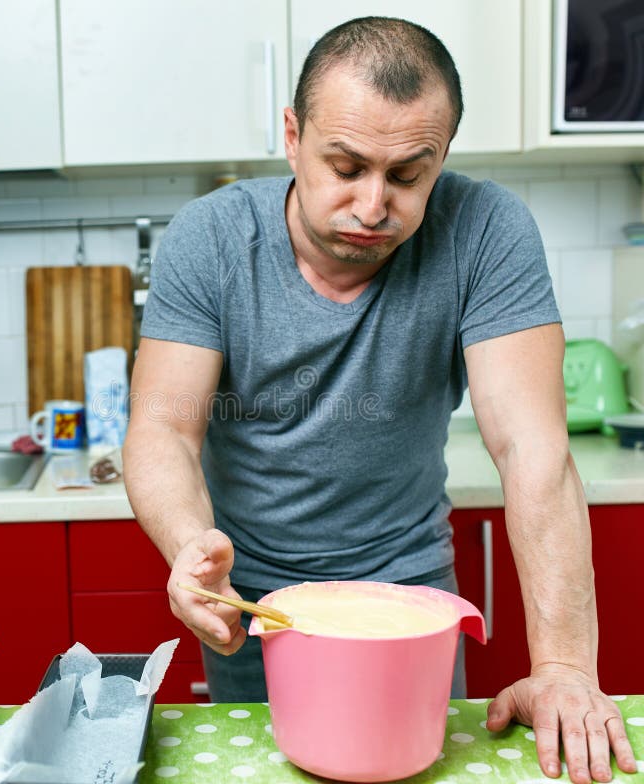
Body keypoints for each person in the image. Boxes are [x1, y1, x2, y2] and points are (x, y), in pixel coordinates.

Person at [122, 16, 636, 784]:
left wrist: (564, 663)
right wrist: (191, 547)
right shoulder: (212, 238)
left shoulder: (487, 231)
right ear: (292, 135)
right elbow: (162, 426)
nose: (372, 206)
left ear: (443, 158)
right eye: (347, 165)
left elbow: (533, 448)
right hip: (258, 607)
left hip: (411, 601)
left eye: (406, 175)